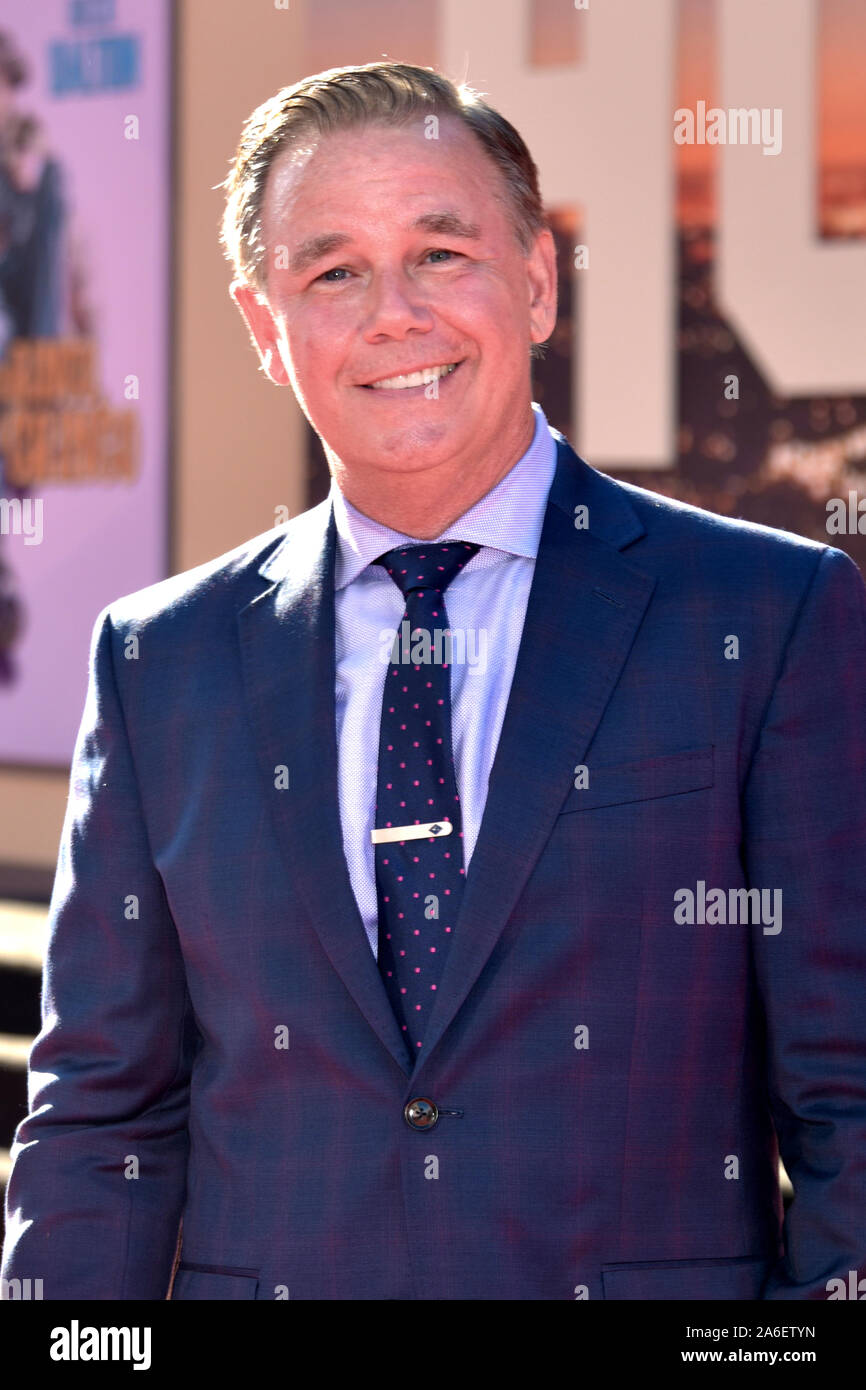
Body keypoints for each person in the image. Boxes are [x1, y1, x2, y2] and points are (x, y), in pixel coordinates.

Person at [2, 61, 865, 1302]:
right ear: (264, 326)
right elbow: (100, 1119)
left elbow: (845, 1093)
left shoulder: (763, 617)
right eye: (333, 270)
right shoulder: (159, 663)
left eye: (441, 252)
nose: (392, 313)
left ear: (535, 280)